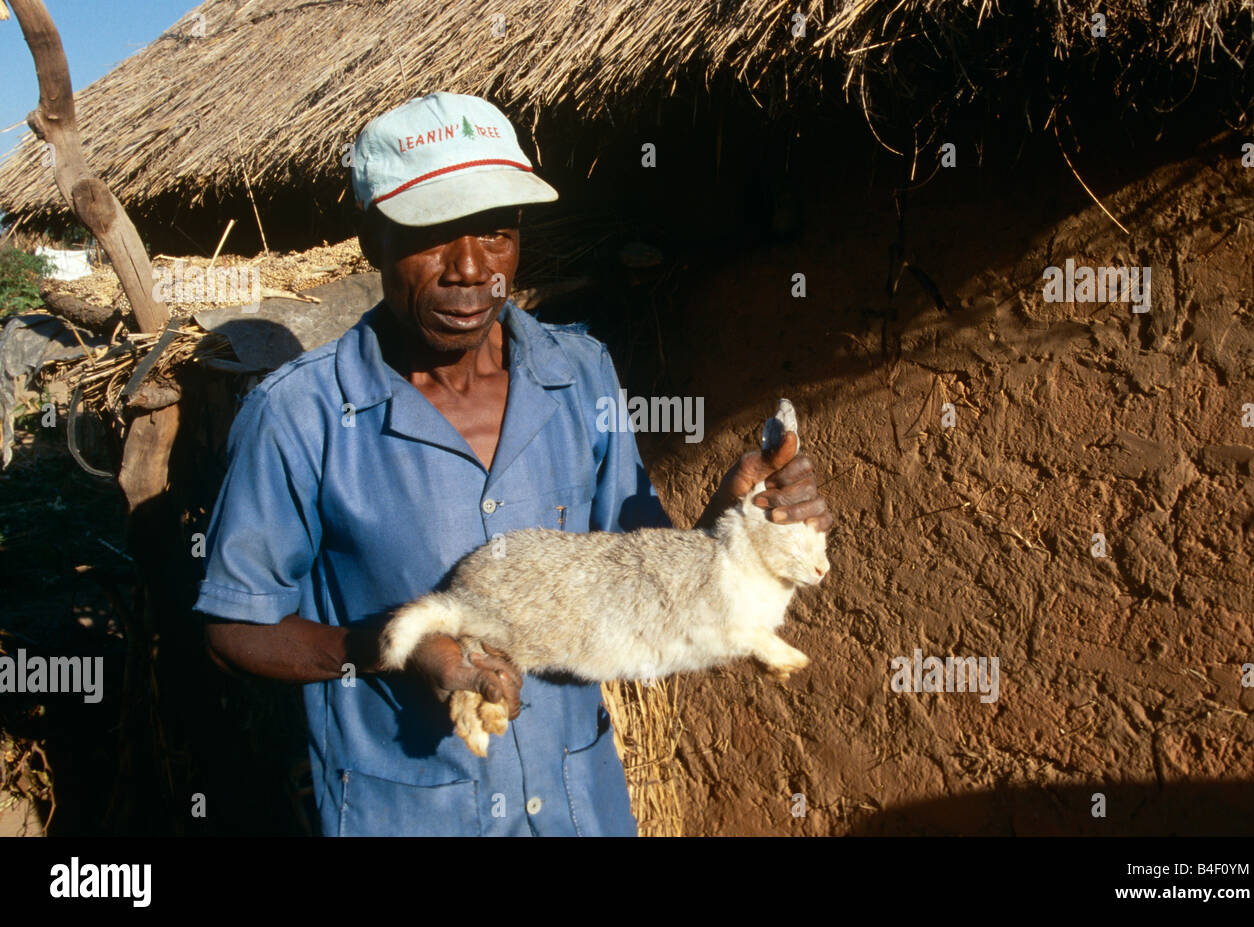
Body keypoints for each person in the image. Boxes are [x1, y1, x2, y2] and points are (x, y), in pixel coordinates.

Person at [194, 91, 833, 836]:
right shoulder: (297, 415)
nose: (472, 269)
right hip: (408, 815)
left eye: (496, 232)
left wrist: (738, 523)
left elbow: (646, 567)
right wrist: (392, 648)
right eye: (433, 233)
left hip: (578, 807)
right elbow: (234, 629)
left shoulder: (580, 371)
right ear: (370, 238)